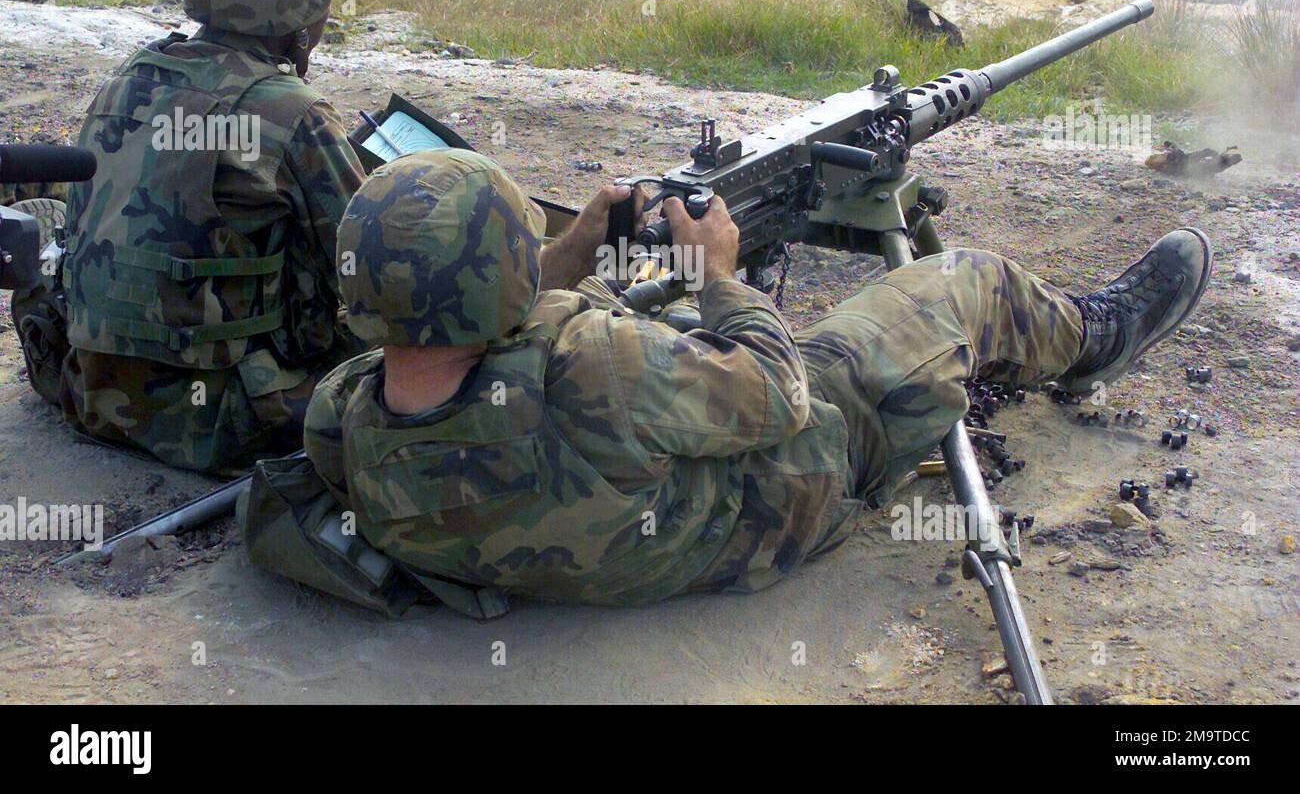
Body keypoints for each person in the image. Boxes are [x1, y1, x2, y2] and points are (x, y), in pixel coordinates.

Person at [284, 149, 1211, 610]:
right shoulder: (593, 368)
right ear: (501, 283)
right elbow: (779, 392)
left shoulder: (343, 419)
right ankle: (1098, 337)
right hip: (791, 492)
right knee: (960, 281)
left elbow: (462, 342)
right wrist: (721, 273)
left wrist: (565, 257)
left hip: (596, 529)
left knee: (660, 312)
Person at [57, 0, 365, 474]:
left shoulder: (127, 79)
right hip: (225, 422)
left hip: (90, 394)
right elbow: (377, 275)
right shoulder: (291, 112)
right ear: (301, 1)